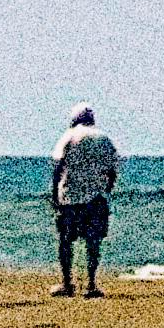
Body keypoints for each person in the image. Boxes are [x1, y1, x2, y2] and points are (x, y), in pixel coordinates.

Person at [48, 105, 120, 296]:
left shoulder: (69, 136)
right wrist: (107, 190)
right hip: (95, 199)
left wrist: (55, 195)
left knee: (65, 241)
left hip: (70, 198)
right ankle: (91, 284)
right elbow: (112, 170)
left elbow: (58, 166)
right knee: (93, 242)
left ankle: (67, 283)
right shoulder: (104, 139)